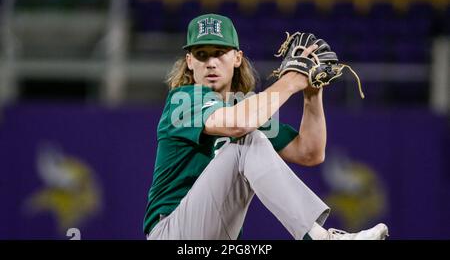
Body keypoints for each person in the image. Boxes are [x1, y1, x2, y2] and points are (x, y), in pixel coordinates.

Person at [143, 13, 388, 240]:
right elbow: (239, 124)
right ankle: (319, 238)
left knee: (251, 137)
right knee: (249, 139)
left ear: (237, 58)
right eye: (201, 54)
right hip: (171, 232)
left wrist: (312, 93)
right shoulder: (182, 100)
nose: (211, 62)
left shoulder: (245, 107)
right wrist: (293, 79)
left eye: (219, 52)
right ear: (189, 62)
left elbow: (310, 152)